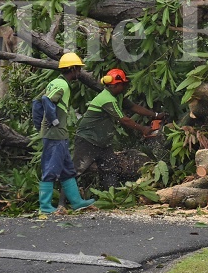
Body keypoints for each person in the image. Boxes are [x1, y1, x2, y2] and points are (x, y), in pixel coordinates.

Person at [73, 68, 167, 189]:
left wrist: (155, 115)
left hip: (103, 141)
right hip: (88, 140)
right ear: (115, 85)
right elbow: (124, 120)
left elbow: (134, 107)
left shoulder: (118, 96)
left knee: (110, 169)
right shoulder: (107, 99)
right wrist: (143, 129)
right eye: (123, 84)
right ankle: (63, 202)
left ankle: (109, 197)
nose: (125, 87)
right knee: (77, 170)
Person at [37, 52, 95, 214]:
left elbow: (38, 101)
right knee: (51, 168)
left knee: (67, 169)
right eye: (78, 69)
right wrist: (53, 120)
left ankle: (76, 202)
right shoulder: (62, 85)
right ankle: (45, 206)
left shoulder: (55, 82)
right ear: (73, 69)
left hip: (58, 134)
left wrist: (42, 124)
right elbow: (46, 101)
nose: (80, 72)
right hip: (55, 134)